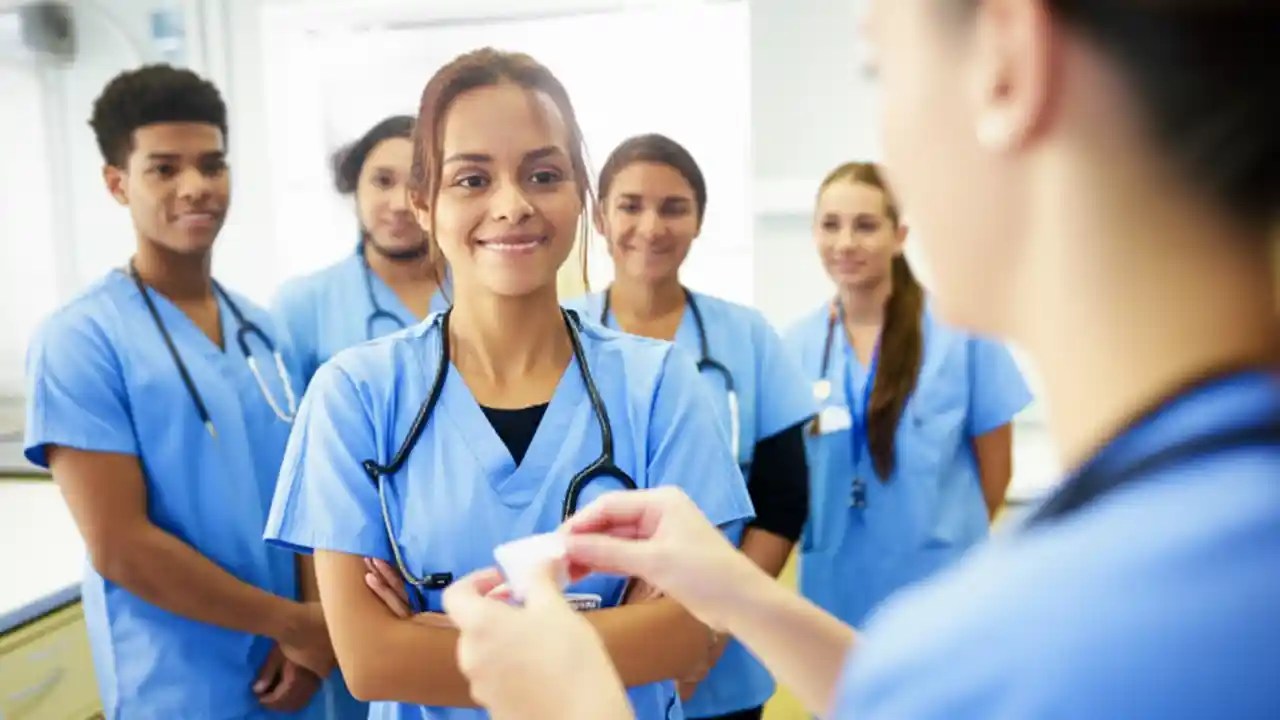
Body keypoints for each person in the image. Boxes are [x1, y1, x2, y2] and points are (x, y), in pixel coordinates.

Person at [427, 0, 1280, 717]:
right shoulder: (1203, 544)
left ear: (1007, 69)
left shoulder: (1081, 643)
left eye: (883, 73)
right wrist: (737, 592)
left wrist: (578, 702)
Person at [262, 47, 754, 720]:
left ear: (580, 192)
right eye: (471, 180)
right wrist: (611, 635)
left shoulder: (659, 385)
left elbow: (689, 637)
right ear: (423, 201)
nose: (513, 204)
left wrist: (445, 636)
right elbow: (371, 663)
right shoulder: (355, 394)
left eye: (543, 174)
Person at [23, 65, 335, 719]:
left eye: (211, 165)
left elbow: (306, 492)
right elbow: (119, 544)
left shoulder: (263, 331)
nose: (196, 187)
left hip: (296, 674)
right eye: (164, 169)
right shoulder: (82, 338)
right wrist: (293, 622)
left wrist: (312, 630)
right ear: (117, 183)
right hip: (176, 684)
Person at [563, 133, 813, 720]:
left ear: (699, 220)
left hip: (720, 659)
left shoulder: (746, 337)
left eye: (673, 207)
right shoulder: (556, 335)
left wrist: (709, 629)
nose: (650, 226)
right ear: (598, 217)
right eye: (630, 205)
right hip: (592, 649)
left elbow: (782, 503)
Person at [786, 161, 1031, 629]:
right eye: (830, 225)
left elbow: (996, 473)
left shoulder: (964, 333)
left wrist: (944, 540)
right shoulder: (796, 348)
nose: (845, 243)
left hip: (943, 591)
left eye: (865, 226)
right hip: (834, 595)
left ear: (899, 235)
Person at [273, 115, 451, 387]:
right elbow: (289, 422)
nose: (402, 203)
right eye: (383, 180)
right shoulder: (303, 305)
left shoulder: (487, 291)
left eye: (422, 183)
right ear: (354, 186)